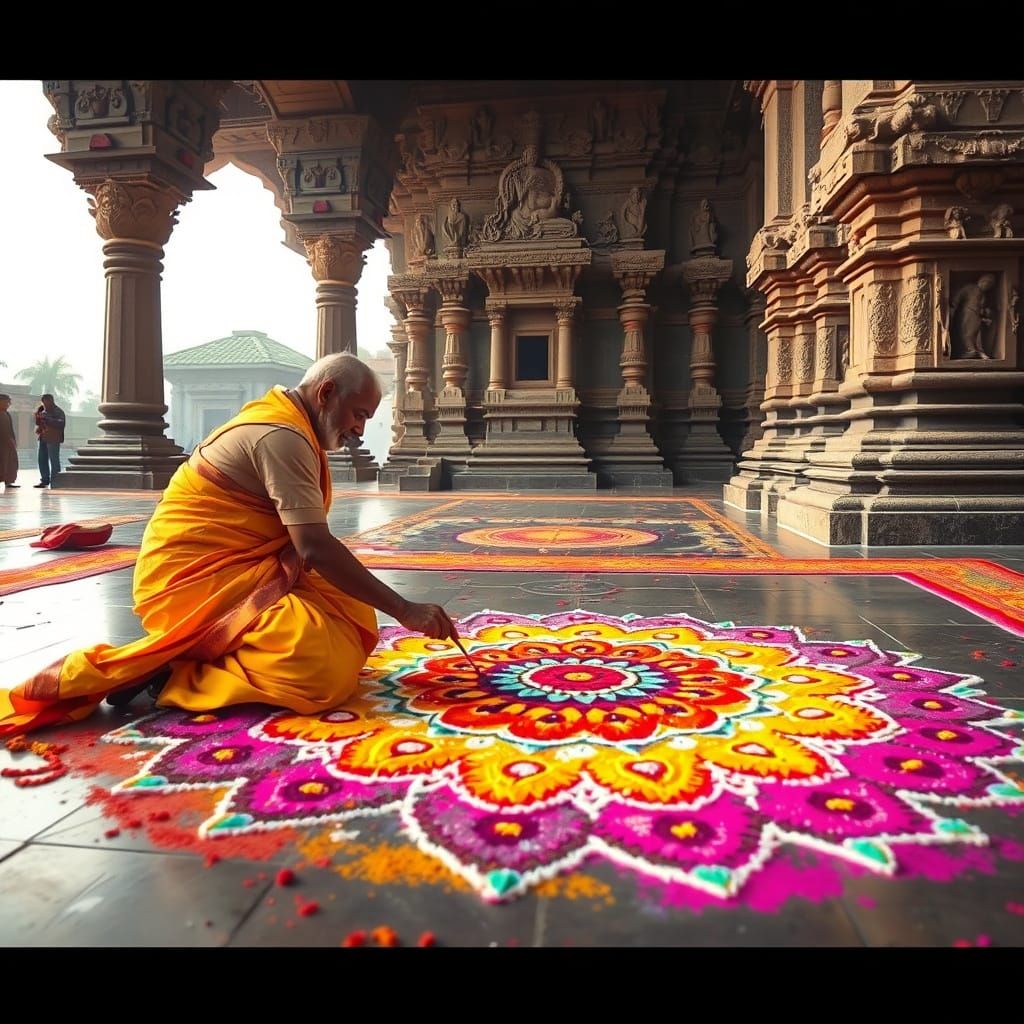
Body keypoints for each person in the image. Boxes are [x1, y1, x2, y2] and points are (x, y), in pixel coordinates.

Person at [0, 353, 460, 738]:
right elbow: (314, 547)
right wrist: (405, 609)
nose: (360, 430)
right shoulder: (282, 435)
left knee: (354, 618)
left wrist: (387, 607)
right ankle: (176, 674)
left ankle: (203, 652)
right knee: (320, 674)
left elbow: (309, 545)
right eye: (359, 414)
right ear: (325, 395)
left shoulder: (293, 426)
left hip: (243, 570)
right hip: (187, 581)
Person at [951, 274, 996, 359]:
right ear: (982, 281)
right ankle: (969, 350)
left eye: (989, 285)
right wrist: (954, 303)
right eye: (987, 283)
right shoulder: (970, 288)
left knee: (977, 333)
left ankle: (978, 351)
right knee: (967, 332)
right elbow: (960, 293)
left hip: (977, 316)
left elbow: (982, 307)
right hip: (968, 312)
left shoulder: (983, 295)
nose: (987, 286)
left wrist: (985, 313)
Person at [34, 393, 65, 488]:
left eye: (46, 402)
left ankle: (56, 481)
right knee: (42, 460)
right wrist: (38, 416)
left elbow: (61, 424)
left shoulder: (58, 411)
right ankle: (45, 480)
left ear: (51, 401)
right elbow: (38, 423)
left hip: (53, 439)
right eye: (43, 402)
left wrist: (48, 419)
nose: (45, 404)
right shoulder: (43, 410)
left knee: (54, 460)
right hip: (43, 437)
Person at [0, 393, 18, 489]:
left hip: (8, 444)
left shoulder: (6, 414)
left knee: (9, 462)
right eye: (6, 402)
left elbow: (10, 429)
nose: (8, 404)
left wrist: (13, 440)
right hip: (2, 443)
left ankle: (8, 481)